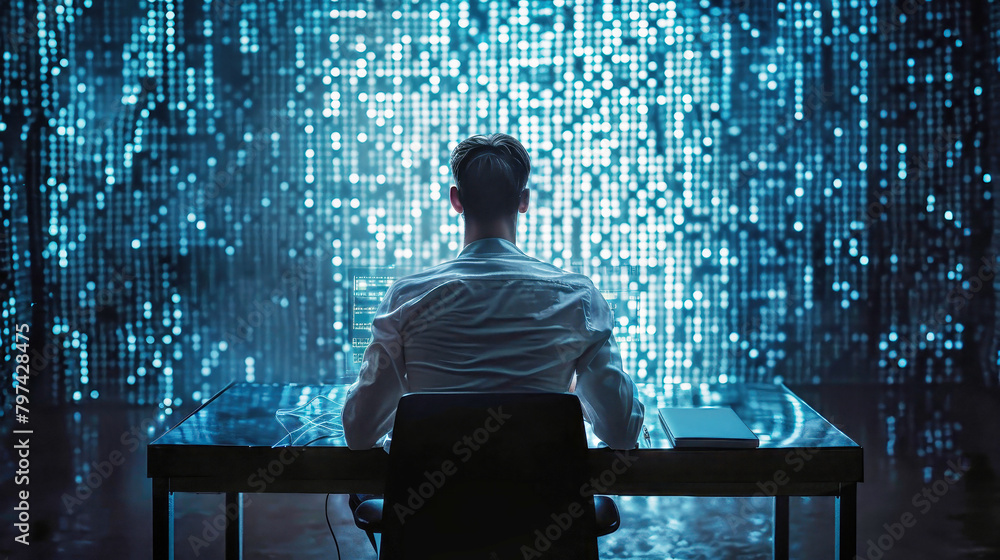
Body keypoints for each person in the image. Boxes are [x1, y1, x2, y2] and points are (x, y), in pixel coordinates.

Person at [341, 132, 645, 456]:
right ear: (523, 200)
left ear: (456, 200)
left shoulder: (406, 298)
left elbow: (359, 433)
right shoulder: (579, 299)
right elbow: (622, 433)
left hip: (433, 505)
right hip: (541, 505)